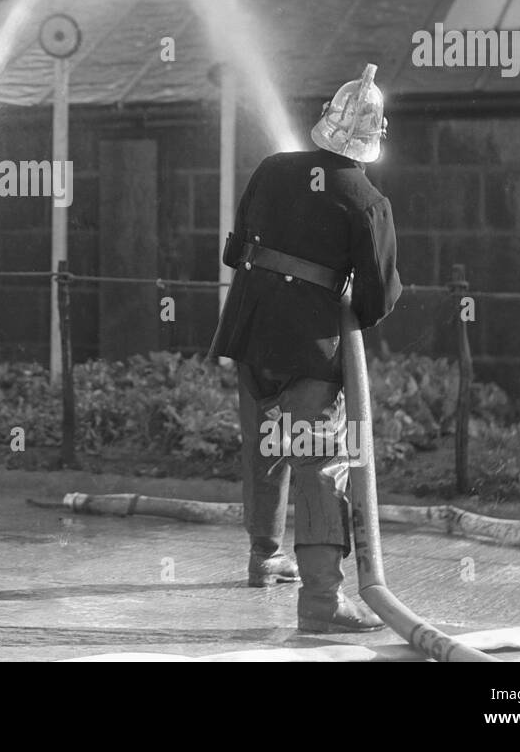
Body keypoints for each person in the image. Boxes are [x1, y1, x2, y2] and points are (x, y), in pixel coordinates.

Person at [208, 63, 401, 633]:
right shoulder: (368, 202)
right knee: (319, 462)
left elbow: (233, 252)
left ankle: (264, 556)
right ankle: (321, 601)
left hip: (248, 331)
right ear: (374, 135)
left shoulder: (272, 169)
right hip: (310, 348)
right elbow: (377, 299)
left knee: (264, 445)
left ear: (326, 121)